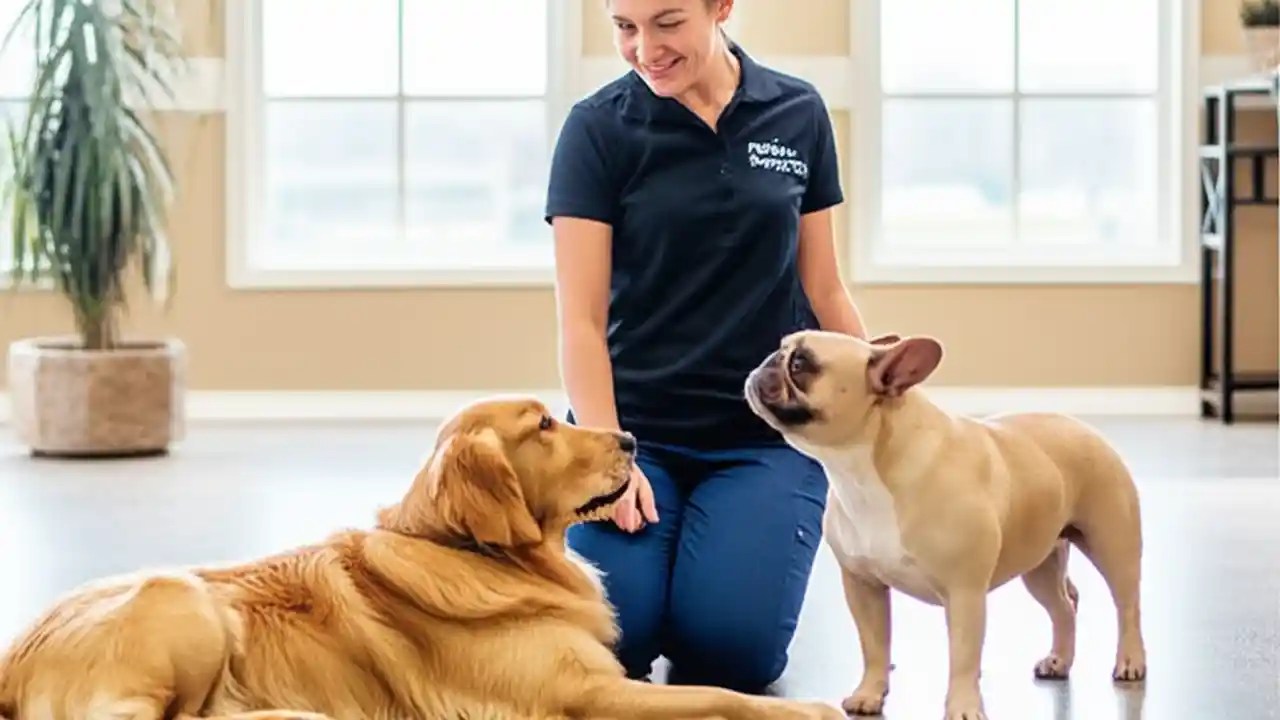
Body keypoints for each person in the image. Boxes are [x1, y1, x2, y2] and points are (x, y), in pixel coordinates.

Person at [544, 0, 870, 693]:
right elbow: (580, 323)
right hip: (634, 437)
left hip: (765, 439)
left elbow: (824, 288)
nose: (643, 49)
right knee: (605, 645)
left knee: (732, 657)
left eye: (667, 23)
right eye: (624, 27)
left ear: (721, 6)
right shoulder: (597, 129)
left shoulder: (797, 112)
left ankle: (710, 581)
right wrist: (604, 454)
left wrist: (880, 410)